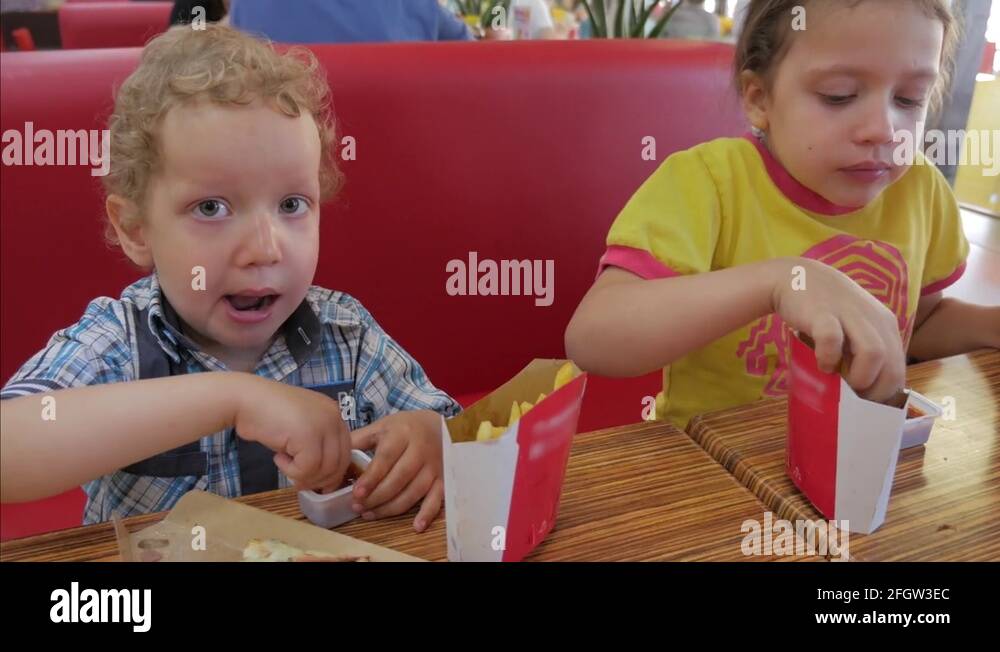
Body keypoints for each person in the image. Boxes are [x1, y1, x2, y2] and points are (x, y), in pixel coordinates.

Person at [0, 25, 460, 534]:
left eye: (292, 205)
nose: (265, 249)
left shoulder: (346, 335)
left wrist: (429, 439)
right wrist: (230, 398)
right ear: (135, 229)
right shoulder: (119, 343)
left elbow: (452, 430)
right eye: (212, 207)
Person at [565, 0, 1000, 429]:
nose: (883, 129)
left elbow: (918, 323)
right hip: (712, 465)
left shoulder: (919, 190)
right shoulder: (709, 183)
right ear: (759, 99)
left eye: (909, 99)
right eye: (839, 96)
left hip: (849, 452)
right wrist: (779, 281)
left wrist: (989, 324)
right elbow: (594, 338)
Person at [228, 0, 472, 43]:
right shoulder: (415, 5)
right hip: (401, 148)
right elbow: (470, 54)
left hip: (271, 164)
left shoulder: (248, 4)